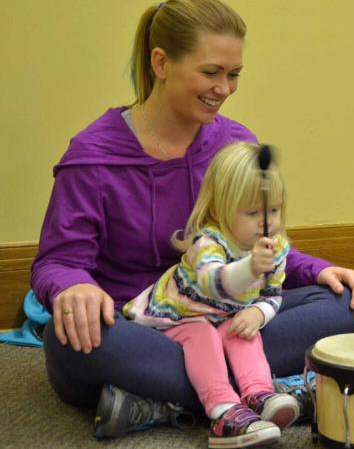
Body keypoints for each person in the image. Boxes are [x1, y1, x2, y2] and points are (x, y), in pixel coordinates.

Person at [31, 0, 354, 439]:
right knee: (70, 339)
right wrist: (73, 286)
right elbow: (56, 262)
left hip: (227, 316)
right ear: (160, 62)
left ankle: (162, 402)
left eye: (233, 75)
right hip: (141, 325)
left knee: (342, 304)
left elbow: (259, 243)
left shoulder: (235, 145)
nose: (224, 89)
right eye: (211, 72)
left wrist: (320, 270)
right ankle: (264, 391)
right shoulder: (93, 156)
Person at [121, 142, 306, 447]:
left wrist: (258, 312)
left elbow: (274, 294)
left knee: (244, 332)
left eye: (273, 210)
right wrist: (250, 267)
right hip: (179, 316)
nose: (266, 221)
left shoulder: (276, 246)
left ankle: (259, 394)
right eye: (252, 212)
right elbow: (214, 283)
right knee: (202, 335)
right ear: (221, 208)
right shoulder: (208, 242)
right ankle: (223, 410)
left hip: (224, 315)